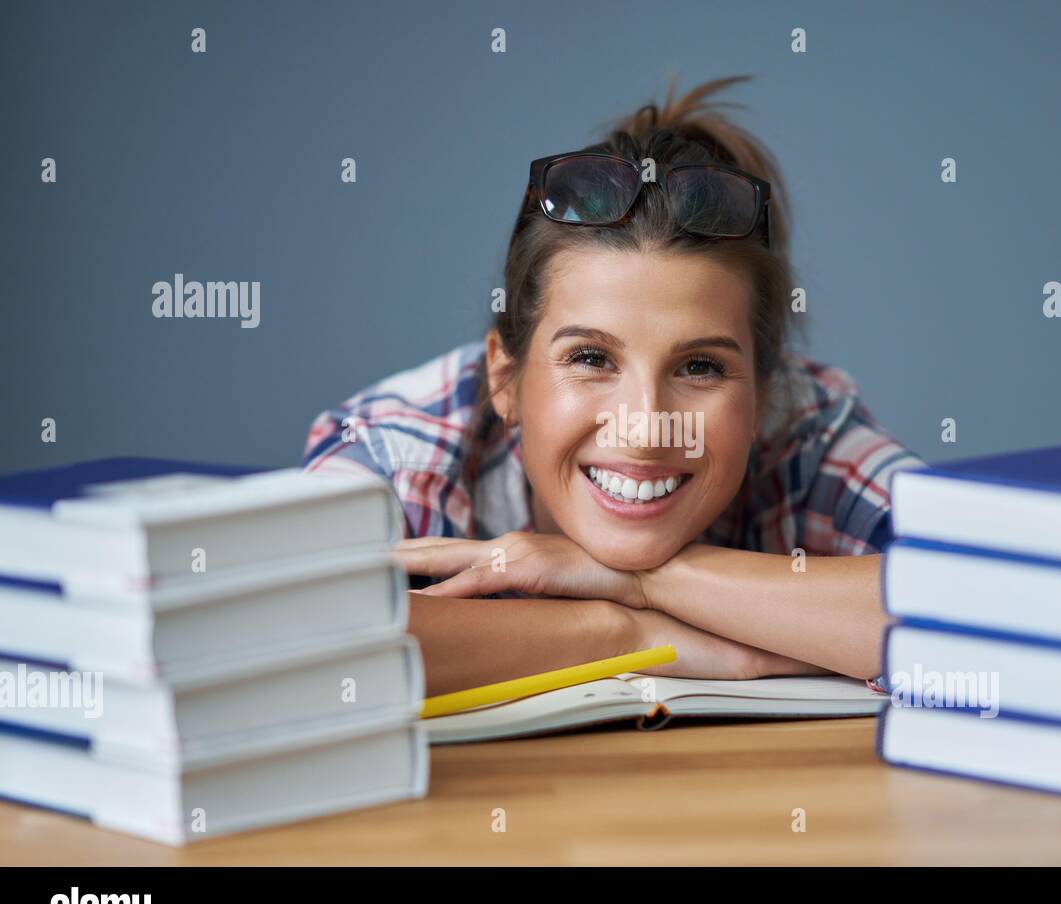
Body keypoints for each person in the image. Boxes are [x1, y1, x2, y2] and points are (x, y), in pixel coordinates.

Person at [303, 75, 923, 695]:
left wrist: (646, 582)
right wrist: (626, 633)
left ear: (765, 393)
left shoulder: (807, 432)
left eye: (699, 367)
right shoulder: (401, 450)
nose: (645, 426)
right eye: (592, 357)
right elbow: (286, 646)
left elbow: (997, 603)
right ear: (504, 378)